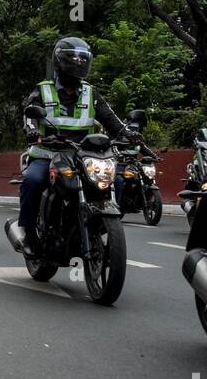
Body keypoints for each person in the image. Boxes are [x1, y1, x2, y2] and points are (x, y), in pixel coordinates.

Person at [14, 37, 130, 257]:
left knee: (116, 180)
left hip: (83, 156)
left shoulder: (91, 93)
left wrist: (129, 135)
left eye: (81, 59)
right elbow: (29, 113)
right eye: (72, 59)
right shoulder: (43, 90)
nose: (77, 63)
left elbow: (111, 120)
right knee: (32, 181)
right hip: (48, 154)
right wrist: (31, 132)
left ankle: (100, 224)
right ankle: (29, 234)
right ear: (59, 62)